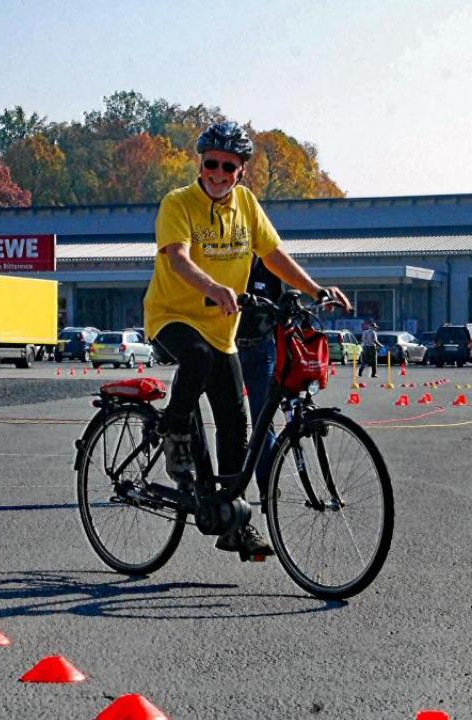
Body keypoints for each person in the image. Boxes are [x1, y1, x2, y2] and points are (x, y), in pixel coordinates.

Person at [144, 121, 351, 559]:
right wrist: (212, 288)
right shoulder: (177, 203)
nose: (217, 174)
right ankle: (174, 433)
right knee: (196, 357)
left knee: (237, 425)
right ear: (200, 164)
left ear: (241, 171)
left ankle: (232, 520)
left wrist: (316, 291)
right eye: (210, 164)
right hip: (172, 316)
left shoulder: (246, 205)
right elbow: (178, 258)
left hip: (225, 330)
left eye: (228, 167)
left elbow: (273, 254)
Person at [235, 256, 282, 501]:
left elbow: (280, 310)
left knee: (263, 422)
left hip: (263, 350)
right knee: (231, 421)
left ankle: (267, 488)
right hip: (230, 348)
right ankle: (232, 488)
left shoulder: (269, 268)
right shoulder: (229, 262)